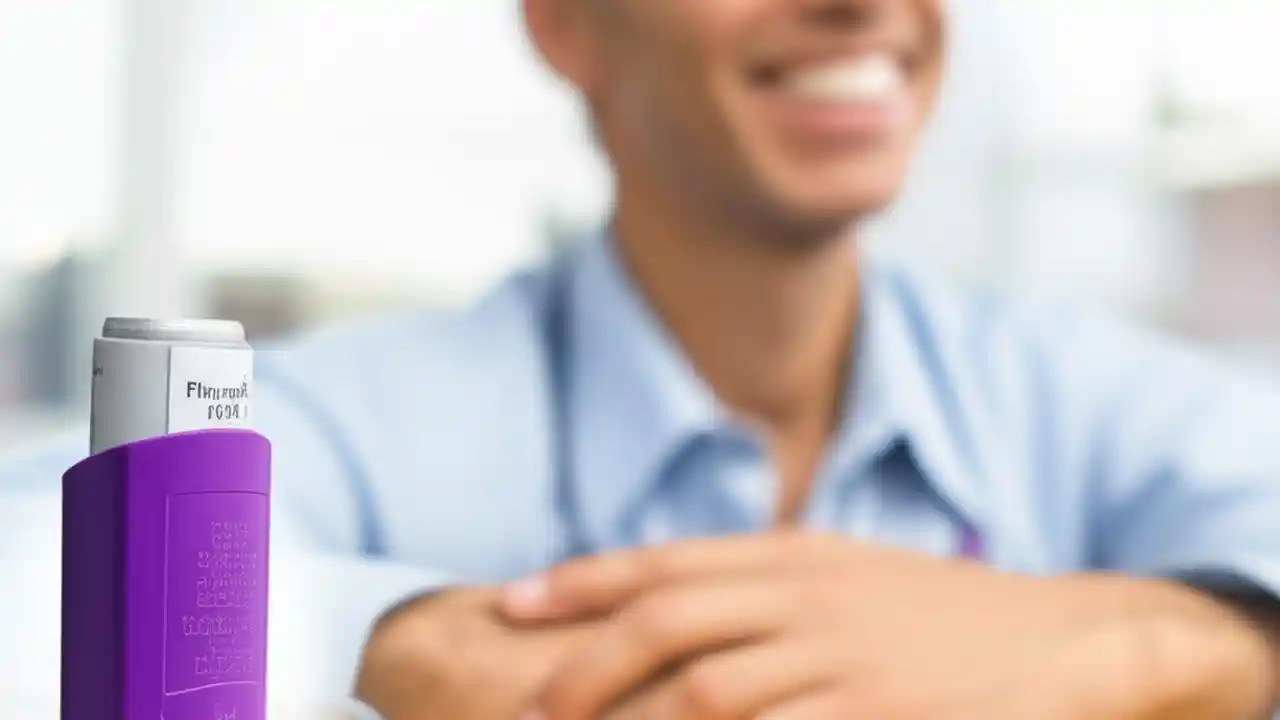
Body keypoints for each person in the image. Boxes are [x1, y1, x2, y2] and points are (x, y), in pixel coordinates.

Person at [5, 0, 1280, 717]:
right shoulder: (396, 414)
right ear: (562, 21)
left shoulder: (1092, 398)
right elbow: (29, 567)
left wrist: (1153, 649)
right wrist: (409, 646)